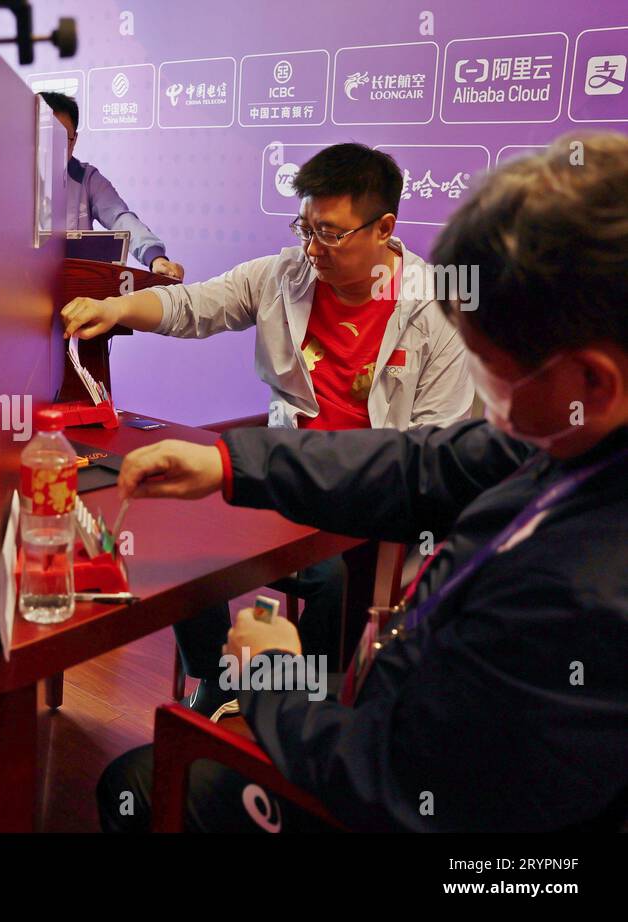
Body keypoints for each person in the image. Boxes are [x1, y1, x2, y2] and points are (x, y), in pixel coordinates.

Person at [97, 132, 628, 833]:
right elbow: (427, 462)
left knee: (137, 785)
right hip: (395, 720)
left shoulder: (579, 598)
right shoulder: (570, 442)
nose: (481, 392)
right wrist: (231, 464)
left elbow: (394, 787)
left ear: (591, 380)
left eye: (489, 364)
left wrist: (272, 684)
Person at [61, 142, 473, 715]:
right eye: (304, 227)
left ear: (384, 228)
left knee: (328, 577)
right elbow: (195, 306)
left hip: (373, 493)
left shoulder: (436, 308)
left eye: (329, 234)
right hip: (283, 474)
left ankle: (304, 705)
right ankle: (216, 682)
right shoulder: (286, 274)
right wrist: (117, 310)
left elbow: (435, 451)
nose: (311, 248)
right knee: (185, 531)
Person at [40, 91, 185, 281]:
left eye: (61, 138)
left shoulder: (87, 178)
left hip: (72, 286)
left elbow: (120, 218)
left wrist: (155, 257)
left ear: (74, 140)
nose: (51, 146)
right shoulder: (7, 178)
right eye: (45, 135)